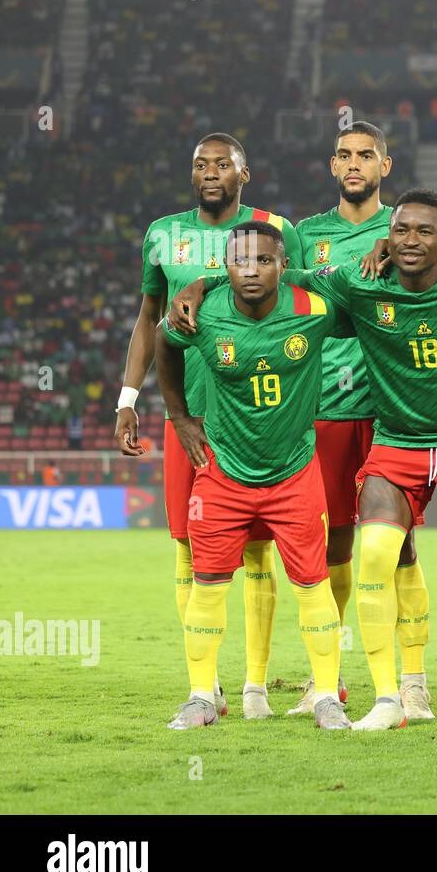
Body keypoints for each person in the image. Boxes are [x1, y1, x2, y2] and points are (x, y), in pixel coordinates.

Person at [170, 190, 437, 732]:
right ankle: (387, 699)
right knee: (373, 559)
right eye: (401, 232)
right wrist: (203, 284)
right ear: (386, 236)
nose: (410, 241)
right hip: (396, 439)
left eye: (424, 232)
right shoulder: (356, 280)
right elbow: (275, 278)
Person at [114, 133, 301, 720]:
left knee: (255, 554)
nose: (211, 172)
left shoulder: (277, 229)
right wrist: (128, 396)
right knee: (187, 550)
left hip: (254, 417)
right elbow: (149, 319)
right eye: (201, 164)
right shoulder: (162, 233)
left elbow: (300, 301)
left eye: (223, 164)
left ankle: (255, 686)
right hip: (185, 416)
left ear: (246, 173)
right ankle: (207, 686)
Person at [156, 221, 346, 731]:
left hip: (294, 473)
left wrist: (384, 249)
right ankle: (202, 697)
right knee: (209, 583)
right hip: (222, 474)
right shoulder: (203, 316)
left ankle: (326, 695)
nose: (252, 270)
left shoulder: (316, 308)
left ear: (284, 265)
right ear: (225, 266)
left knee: (312, 583)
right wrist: (178, 415)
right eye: (241, 260)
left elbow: (357, 288)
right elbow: (163, 342)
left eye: (265, 260)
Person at [287, 121, 434, 723]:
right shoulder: (304, 235)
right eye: (344, 155)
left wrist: (397, 246)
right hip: (321, 410)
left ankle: (415, 681)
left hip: (386, 408)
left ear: (386, 165)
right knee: (330, 550)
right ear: (331, 165)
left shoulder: (407, 229)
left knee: (398, 549)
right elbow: (280, 297)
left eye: (366, 155)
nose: (355, 164)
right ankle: (329, 679)